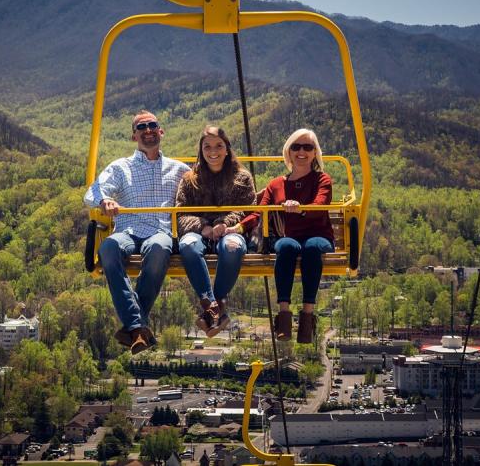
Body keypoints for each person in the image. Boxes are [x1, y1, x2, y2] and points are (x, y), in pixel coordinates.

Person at [84, 111, 190, 354]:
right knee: (109, 248)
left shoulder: (179, 170)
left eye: (152, 125)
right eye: (141, 127)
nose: (148, 130)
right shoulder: (121, 168)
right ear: (134, 136)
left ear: (161, 131)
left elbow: (204, 187)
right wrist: (105, 201)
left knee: (159, 248)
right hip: (128, 229)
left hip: (160, 230)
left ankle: (133, 327)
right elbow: (93, 192)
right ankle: (138, 327)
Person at [235, 128, 333, 343]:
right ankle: (284, 315)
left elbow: (321, 204)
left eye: (308, 147)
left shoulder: (322, 180)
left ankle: (308, 315)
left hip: (318, 234)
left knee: (311, 248)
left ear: (315, 153)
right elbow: (259, 212)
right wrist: (239, 228)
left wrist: (301, 208)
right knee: (286, 247)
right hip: (290, 236)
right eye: (296, 147)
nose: (302, 152)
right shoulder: (276, 184)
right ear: (288, 152)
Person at [175, 126, 255, 337]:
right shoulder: (189, 179)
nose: (213, 151)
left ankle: (211, 310)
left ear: (227, 149)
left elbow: (248, 209)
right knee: (187, 246)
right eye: (207, 146)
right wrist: (203, 227)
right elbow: (180, 213)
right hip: (199, 231)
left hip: (230, 230)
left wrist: (224, 224)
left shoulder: (242, 178)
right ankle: (215, 307)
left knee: (232, 247)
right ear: (201, 150)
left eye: (219, 145)